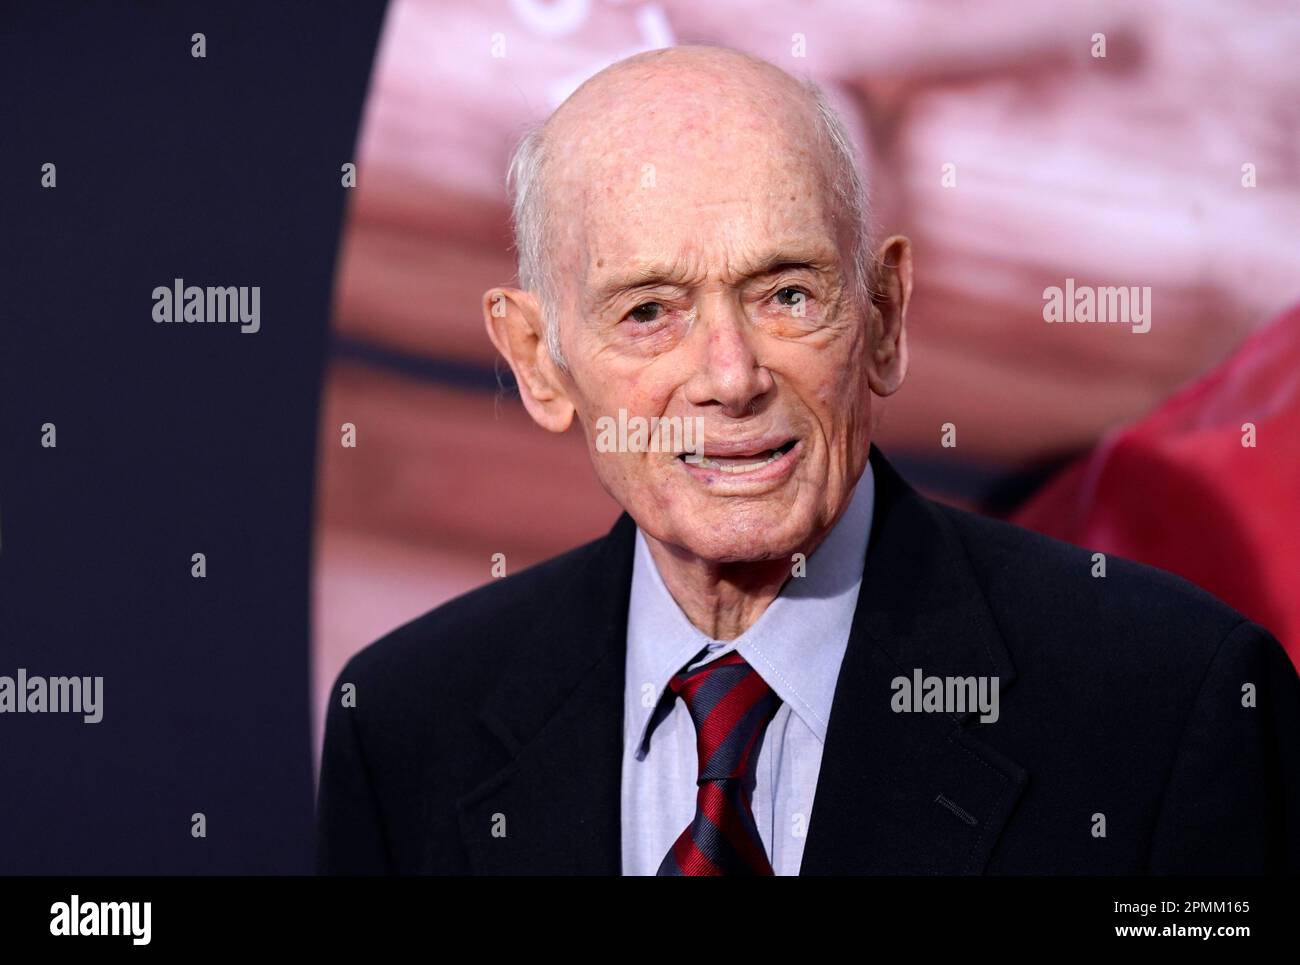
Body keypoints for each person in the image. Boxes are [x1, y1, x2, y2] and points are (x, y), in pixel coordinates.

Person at [315, 45, 1300, 874]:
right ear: (537, 359)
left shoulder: (1168, 704)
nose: (730, 376)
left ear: (884, 318)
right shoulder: (408, 723)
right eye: (648, 310)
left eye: (786, 293)